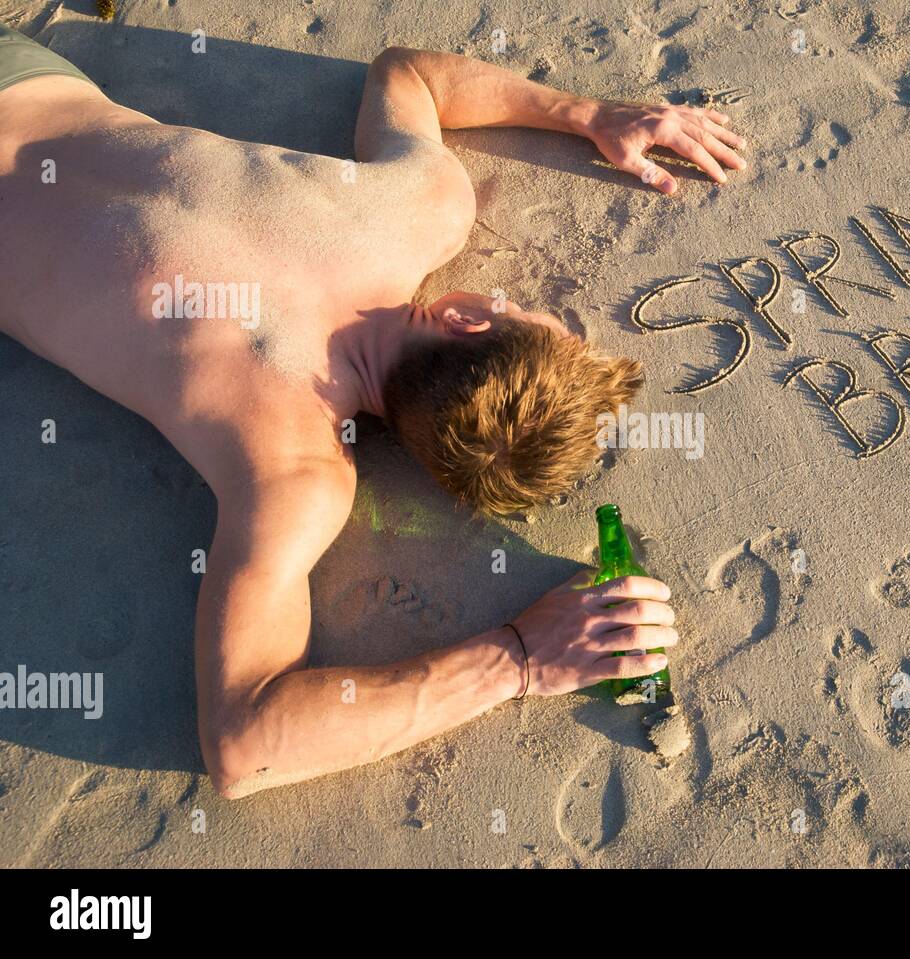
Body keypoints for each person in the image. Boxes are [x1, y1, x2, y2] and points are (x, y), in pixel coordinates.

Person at [0, 25, 748, 797]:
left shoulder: (418, 208)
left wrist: (588, 113)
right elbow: (242, 740)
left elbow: (410, 73)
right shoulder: (290, 466)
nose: (522, 297)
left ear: (464, 316)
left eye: (527, 309)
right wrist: (518, 658)